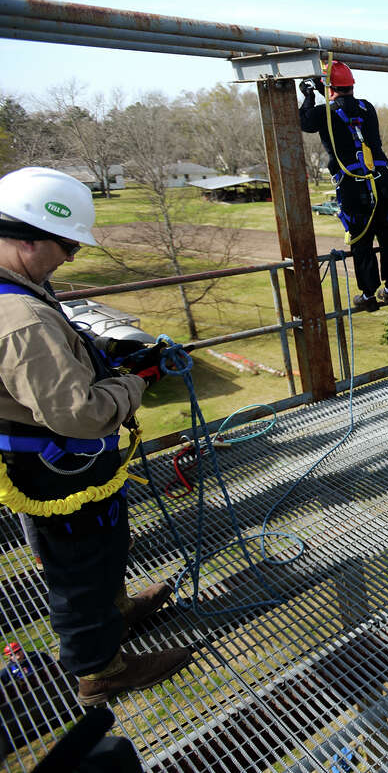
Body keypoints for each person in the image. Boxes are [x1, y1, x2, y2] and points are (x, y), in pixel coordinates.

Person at [0, 167, 191, 705]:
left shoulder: (21, 288)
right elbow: (78, 414)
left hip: (48, 462)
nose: (71, 257)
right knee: (80, 566)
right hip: (57, 467)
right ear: (25, 236)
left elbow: (54, 361)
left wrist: (108, 357)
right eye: (66, 245)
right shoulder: (19, 316)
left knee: (99, 550)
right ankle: (99, 668)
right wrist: (137, 382)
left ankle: (116, 610)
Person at [299, 60, 388, 311]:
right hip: (381, 178)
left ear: (328, 87)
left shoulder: (325, 113)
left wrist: (309, 95)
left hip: (354, 184)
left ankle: (368, 294)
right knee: (386, 233)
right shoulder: (368, 108)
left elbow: (304, 122)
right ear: (351, 85)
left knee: (361, 237)